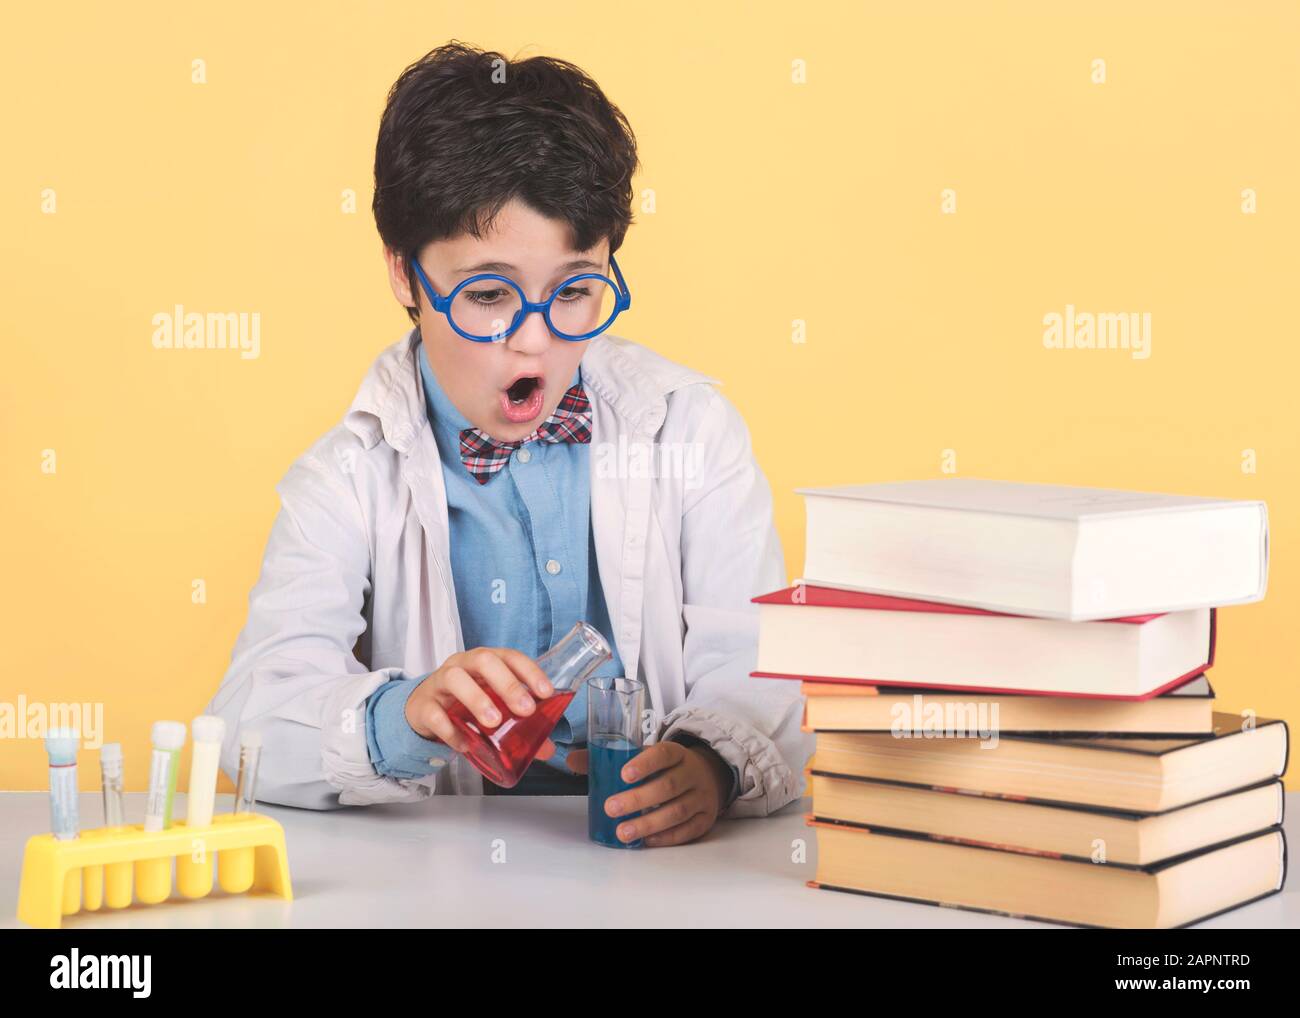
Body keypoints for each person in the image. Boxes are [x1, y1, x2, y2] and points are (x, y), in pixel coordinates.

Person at [205, 41, 808, 847]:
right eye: (489, 294)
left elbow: (763, 666)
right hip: (441, 871)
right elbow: (252, 721)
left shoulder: (690, 429)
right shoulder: (345, 477)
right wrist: (403, 715)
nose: (534, 341)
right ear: (404, 275)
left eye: (576, 289)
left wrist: (712, 762)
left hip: (658, 873)